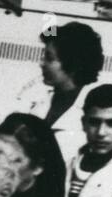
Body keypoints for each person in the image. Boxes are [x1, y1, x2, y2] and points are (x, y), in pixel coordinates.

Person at [18, 22, 106, 162]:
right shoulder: (35, 100)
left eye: (49, 58)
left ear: (73, 64)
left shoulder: (96, 109)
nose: (41, 63)